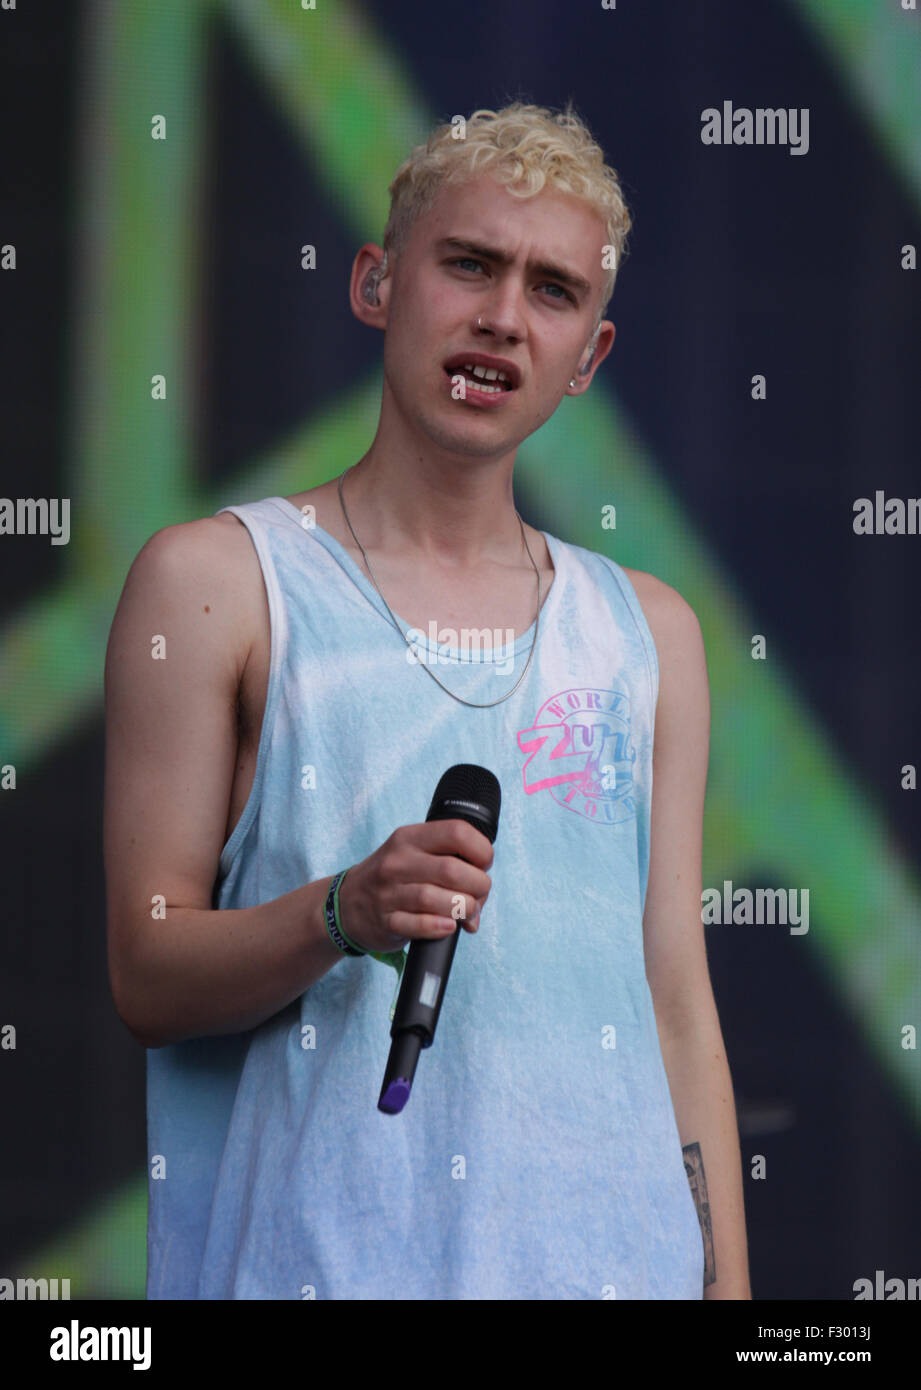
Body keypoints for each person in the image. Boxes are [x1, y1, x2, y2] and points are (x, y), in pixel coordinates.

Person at [104, 100, 751, 1299]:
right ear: (375, 283)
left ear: (590, 359)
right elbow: (147, 973)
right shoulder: (215, 583)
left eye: (554, 291)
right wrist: (343, 908)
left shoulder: (650, 632)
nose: (504, 317)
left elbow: (674, 1002)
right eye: (469, 264)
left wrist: (733, 1299)